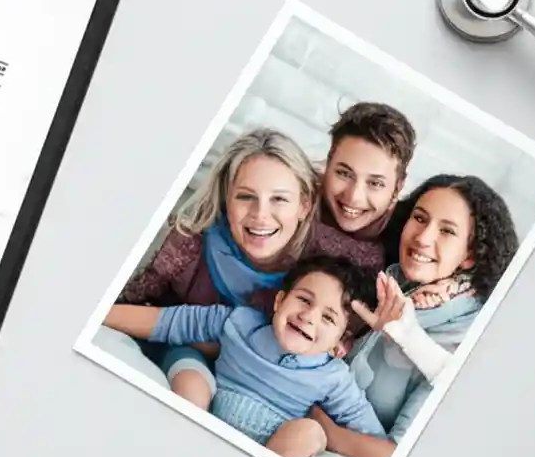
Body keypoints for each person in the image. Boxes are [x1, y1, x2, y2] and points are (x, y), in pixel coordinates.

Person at [119, 128, 382, 410]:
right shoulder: (190, 242)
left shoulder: (335, 258)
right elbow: (131, 300)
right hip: (185, 356)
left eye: (279, 199)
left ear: (304, 205)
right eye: (245, 197)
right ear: (226, 198)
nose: (260, 215)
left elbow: (385, 260)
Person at [291, 174, 520, 457]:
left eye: (447, 231)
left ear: (471, 254)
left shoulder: (466, 338)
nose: (422, 238)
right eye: (420, 218)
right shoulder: (394, 280)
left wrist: (327, 430)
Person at [106, 255, 385, 457]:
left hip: (272, 445)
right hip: (211, 409)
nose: (308, 316)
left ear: (340, 345)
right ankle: (177, 448)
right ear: (279, 301)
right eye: (304, 300)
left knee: (310, 433)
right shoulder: (240, 322)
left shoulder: (334, 378)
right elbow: (167, 322)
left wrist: (330, 432)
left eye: (328, 318)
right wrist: (99, 314)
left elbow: (373, 435)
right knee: (191, 381)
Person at [317, 102, 418, 250]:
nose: (354, 197)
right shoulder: (293, 204)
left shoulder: (406, 244)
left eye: (375, 183)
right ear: (328, 164)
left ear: (397, 189)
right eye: (344, 174)